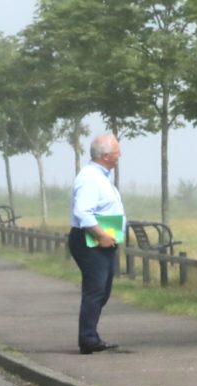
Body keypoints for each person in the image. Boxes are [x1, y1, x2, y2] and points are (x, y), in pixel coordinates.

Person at [67, 133, 126, 354]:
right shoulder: (90, 177)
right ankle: (88, 339)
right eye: (117, 152)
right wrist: (101, 235)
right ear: (106, 155)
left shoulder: (101, 176)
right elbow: (83, 212)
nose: (120, 156)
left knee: (103, 290)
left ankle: (91, 334)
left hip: (103, 240)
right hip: (90, 240)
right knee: (95, 290)